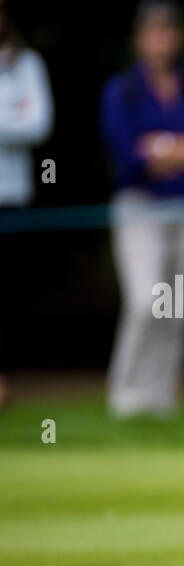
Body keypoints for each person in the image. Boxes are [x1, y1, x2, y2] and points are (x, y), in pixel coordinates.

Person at [100, 0, 184, 418]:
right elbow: (132, 156)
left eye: (169, 31)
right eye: (154, 31)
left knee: (178, 304)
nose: (163, 39)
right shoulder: (123, 90)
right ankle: (127, 398)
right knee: (145, 299)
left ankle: (160, 401)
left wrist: (163, 147)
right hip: (142, 207)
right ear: (140, 39)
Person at [0, 0, 53, 408]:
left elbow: (38, 124)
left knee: (8, 296)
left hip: (11, 198)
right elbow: (21, 122)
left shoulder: (26, 63)